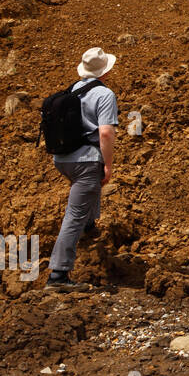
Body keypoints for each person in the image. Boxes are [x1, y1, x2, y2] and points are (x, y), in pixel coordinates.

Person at [46, 47, 118, 288]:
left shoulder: (73, 90)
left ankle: (89, 227)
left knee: (87, 191)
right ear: (105, 72)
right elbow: (106, 132)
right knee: (74, 215)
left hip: (62, 159)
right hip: (86, 160)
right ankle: (58, 275)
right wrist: (108, 165)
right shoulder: (104, 94)